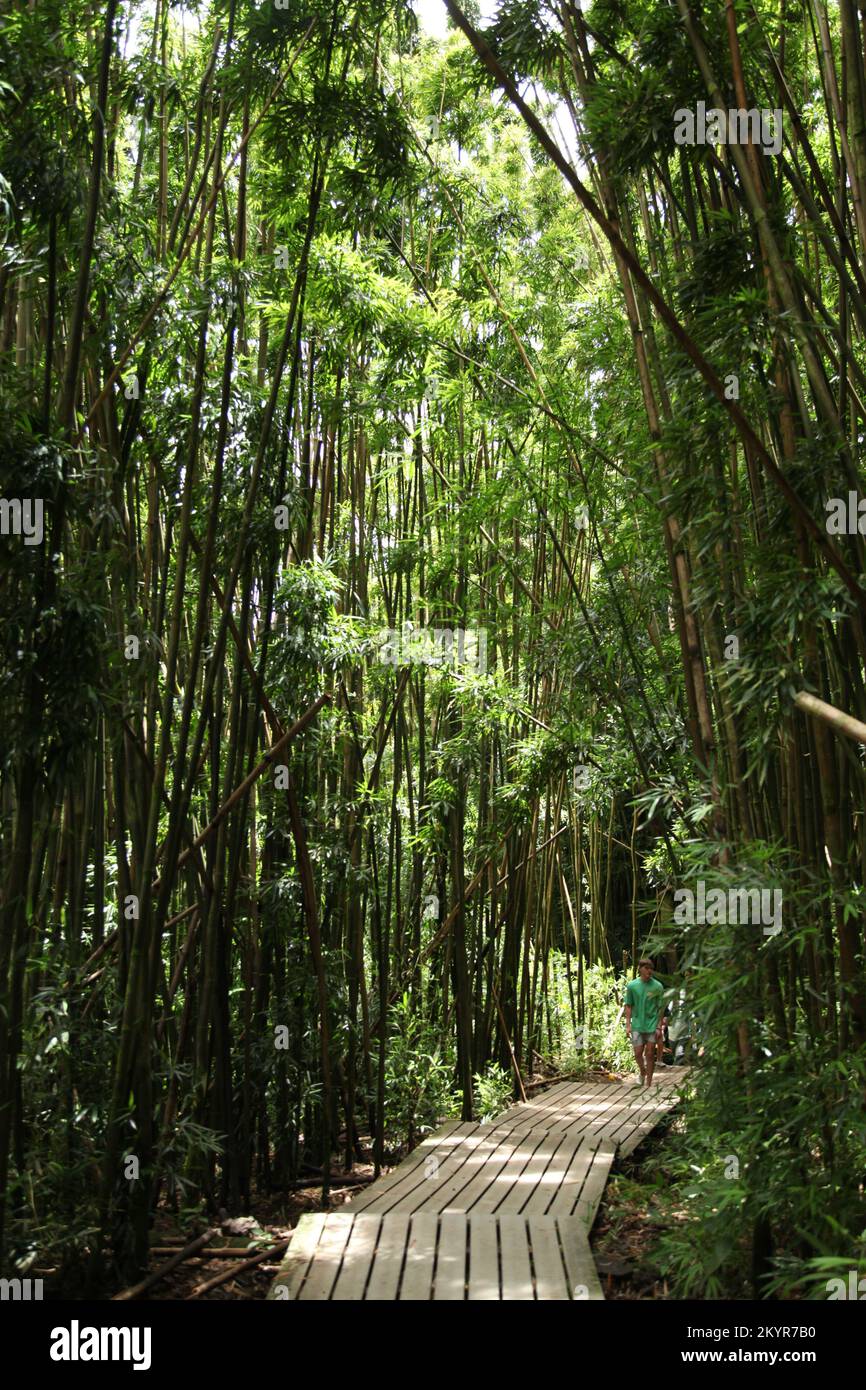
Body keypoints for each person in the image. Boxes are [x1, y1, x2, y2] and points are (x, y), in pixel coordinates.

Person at [624, 957, 665, 1087]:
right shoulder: (632, 986)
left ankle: (648, 1084)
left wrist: (659, 1026)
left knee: (650, 1053)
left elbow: (660, 1008)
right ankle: (642, 1071)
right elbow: (628, 1005)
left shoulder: (658, 986)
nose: (649, 971)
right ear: (640, 969)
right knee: (637, 1053)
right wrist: (628, 1025)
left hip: (652, 1025)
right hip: (637, 1025)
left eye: (651, 968)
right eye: (646, 968)